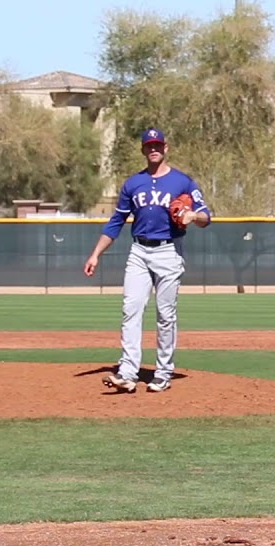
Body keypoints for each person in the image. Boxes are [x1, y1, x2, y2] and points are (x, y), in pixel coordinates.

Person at [84, 128, 212, 393]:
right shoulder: (133, 184)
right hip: (139, 252)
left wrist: (192, 216)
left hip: (169, 251)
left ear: (166, 148)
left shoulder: (182, 182)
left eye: (157, 145)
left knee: (166, 315)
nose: (153, 149)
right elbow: (116, 222)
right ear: (143, 150)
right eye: (148, 145)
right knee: (131, 309)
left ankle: (163, 372)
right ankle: (128, 373)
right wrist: (96, 254)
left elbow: (206, 216)